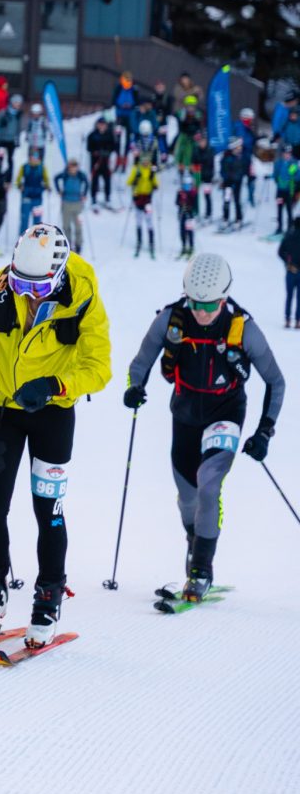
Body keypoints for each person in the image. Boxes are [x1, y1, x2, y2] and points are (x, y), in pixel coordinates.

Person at [0, 223, 111, 648]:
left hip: (52, 414)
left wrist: (55, 385)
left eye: (38, 287)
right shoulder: (1, 284)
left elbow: (99, 367)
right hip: (2, 410)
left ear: (57, 277)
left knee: (48, 510)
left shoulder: (84, 293)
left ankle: (48, 595)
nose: (28, 294)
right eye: (21, 283)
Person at [123, 255, 283, 600]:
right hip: (184, 414)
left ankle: (201, 570)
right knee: (187, 497)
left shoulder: (244, 329)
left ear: (224, 298)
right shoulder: (172, 319)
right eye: (195, 302)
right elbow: (142, 360)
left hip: (225, 411)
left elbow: (276, 381)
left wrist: (264, 431)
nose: (202, 311)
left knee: (209, 486)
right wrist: (134, 387)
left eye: (210, 304)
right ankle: (195, 542)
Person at [129, 151, 160, 259]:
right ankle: (139, 241)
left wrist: (154, 183)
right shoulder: (136, 169)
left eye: (147, 161)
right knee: (138, 221)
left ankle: (151, 242)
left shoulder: (152, 170)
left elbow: (157, 184)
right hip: (138, 198)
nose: (145, 163)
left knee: (149, 221)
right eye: (144, 161)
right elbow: (128, 182)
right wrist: (135, 180)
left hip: (148, 199)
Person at [86, 114, 119, 209]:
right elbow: (88, 148)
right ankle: (93, 199)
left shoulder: (110, 135)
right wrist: (95, 152)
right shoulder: (92, 135)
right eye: (100, 124)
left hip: (106, 162)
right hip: (95, 162)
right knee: (94, 180)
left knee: (107, 180)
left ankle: (107, 198)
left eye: (103, 124)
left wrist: (107, 152)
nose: (102, 126)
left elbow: (114, 146)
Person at [56, 157, 89, 252]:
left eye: (75, 166)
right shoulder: (65, 174)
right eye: (72, 166)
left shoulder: (80, 175)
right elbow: (56, 178)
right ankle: (68, 244)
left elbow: (87, 183)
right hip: (66, 203)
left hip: (78, 204)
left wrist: (84, 194)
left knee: (78, 226)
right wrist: (59, 191)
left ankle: (78, 245)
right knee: (66, 226)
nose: (73, 168)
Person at [17, 146, 49, 232]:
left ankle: (37, 239)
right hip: (26, 197)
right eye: (32, 156)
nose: (34, 159)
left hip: (37, 197)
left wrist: (47, 186)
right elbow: (18, 180)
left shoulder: (42, 168)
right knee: (24, 220)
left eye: (36, 157)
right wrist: (20, 186)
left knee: (37, 221)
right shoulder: (24, 167)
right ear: (29, 157)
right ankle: (23, 238)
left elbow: (46, 180)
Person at [280, 212, 300, 328]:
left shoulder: (289, 235)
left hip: (290, 270)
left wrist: (287, 263)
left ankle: (287, 319)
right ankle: (298, 321)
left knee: (289, 296)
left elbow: (280, 251)